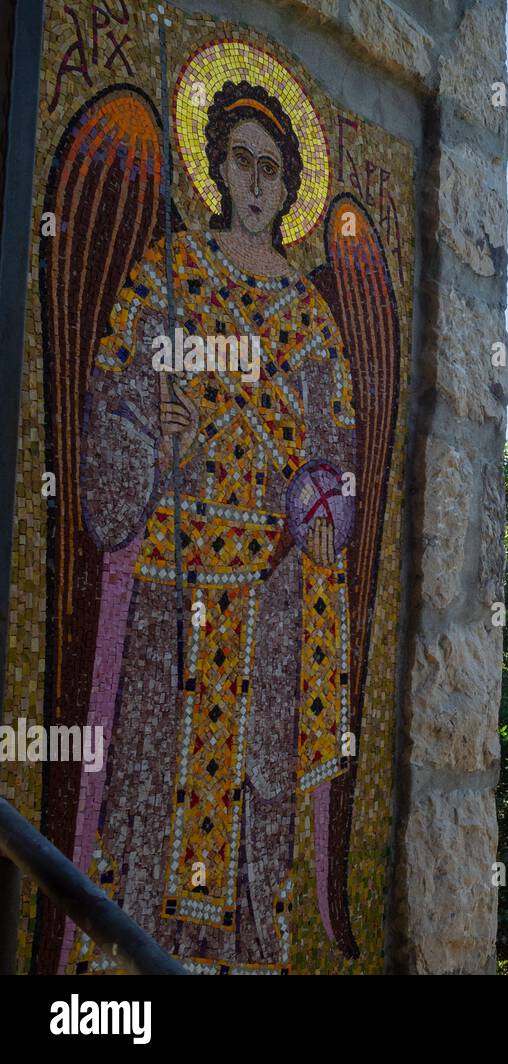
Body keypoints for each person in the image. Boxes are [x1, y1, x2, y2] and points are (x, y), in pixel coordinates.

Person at [71, 79, 355, 973]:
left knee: (254, 796)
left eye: (274, 170)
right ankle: (127, 976)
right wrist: (153, 437)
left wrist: (322, 509)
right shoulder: (169, 275)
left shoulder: (312, 321)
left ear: (291, 186)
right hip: (172, 576)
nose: (258, 184)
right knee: (152, 779)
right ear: (217, 168)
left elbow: (337, 453)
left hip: (269, 592)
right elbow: (109, 414)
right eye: (242, 161)